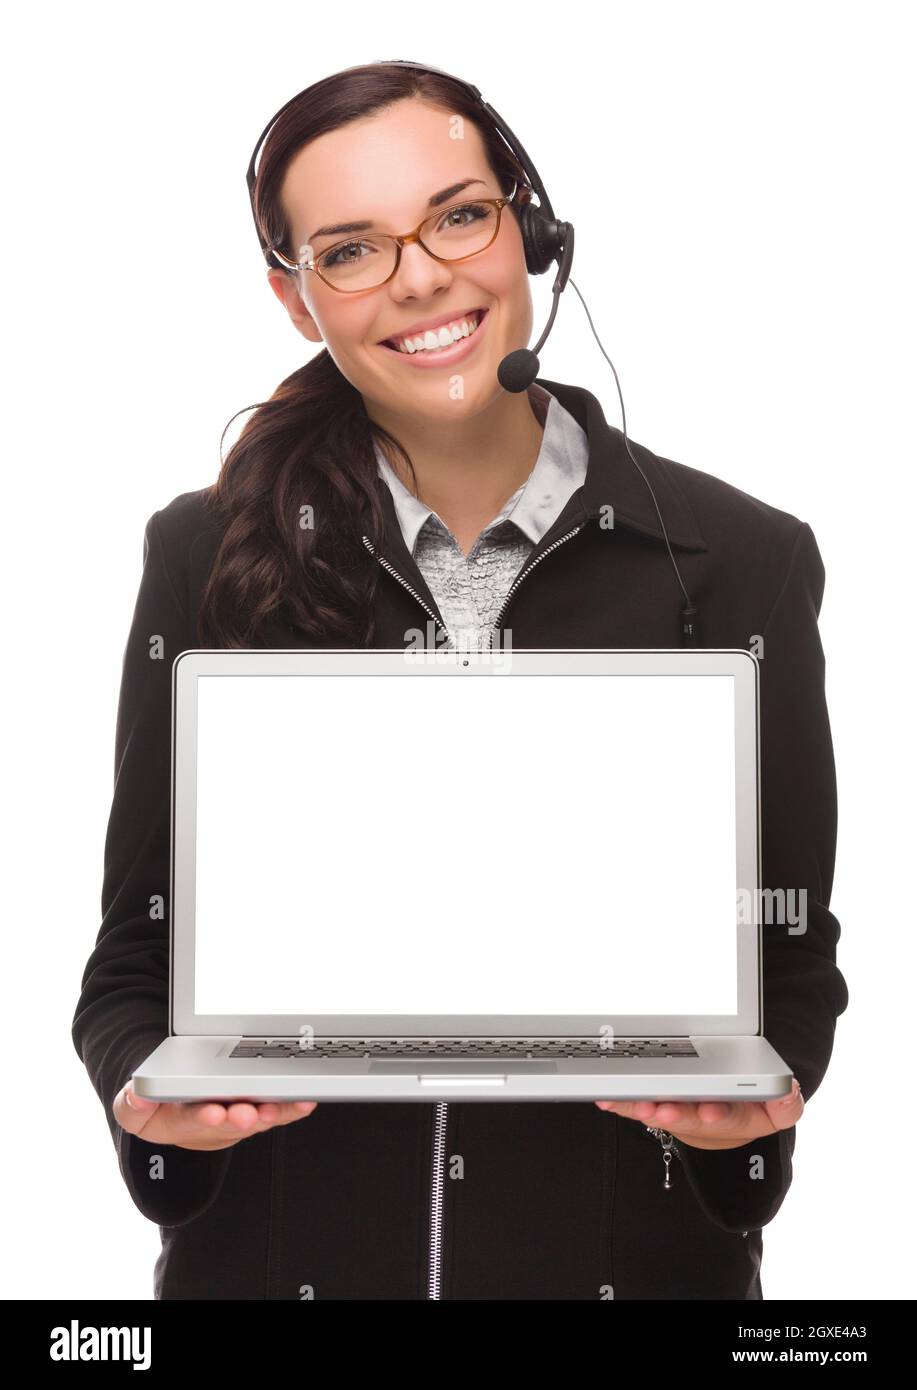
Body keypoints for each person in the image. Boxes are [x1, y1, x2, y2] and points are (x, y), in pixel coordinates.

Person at [72, 61, 848, 1300]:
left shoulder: (745, 561)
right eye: (351, 249)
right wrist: (149, 1097)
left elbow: (788, 948)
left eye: (456, 215)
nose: (421, 277)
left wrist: (753, 1107)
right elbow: (134, 954)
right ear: (293, 296)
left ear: (528, 228)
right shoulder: (201, 553)